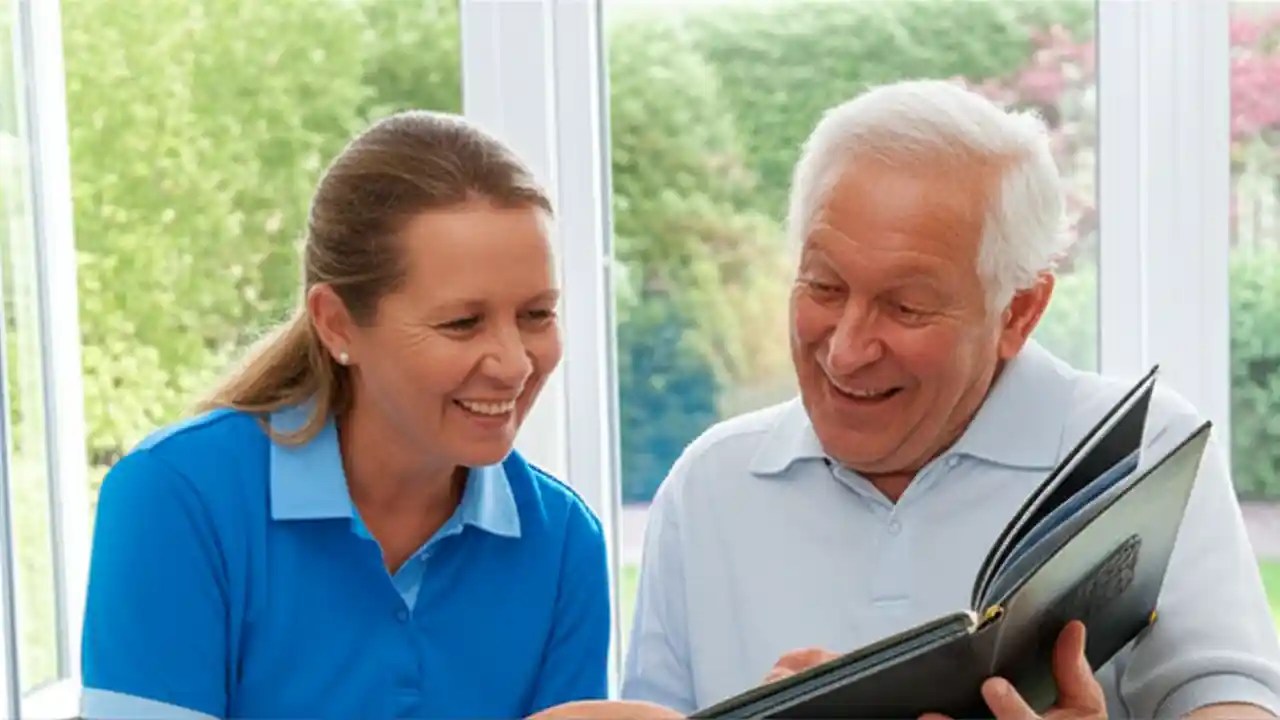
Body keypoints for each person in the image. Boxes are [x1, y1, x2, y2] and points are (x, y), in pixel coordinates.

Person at [620, 79, 1280, 719]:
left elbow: (1234, 698)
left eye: (905, 307)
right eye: (823, 287)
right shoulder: (708, 487)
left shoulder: (1144, 449)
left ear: (1019, 312)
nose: (846, 351)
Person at [79, 110, 668, 720]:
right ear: (336, 323)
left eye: (537, 315)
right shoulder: (178, 499)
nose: (515, 363)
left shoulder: (563, 542)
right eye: (462, 323)